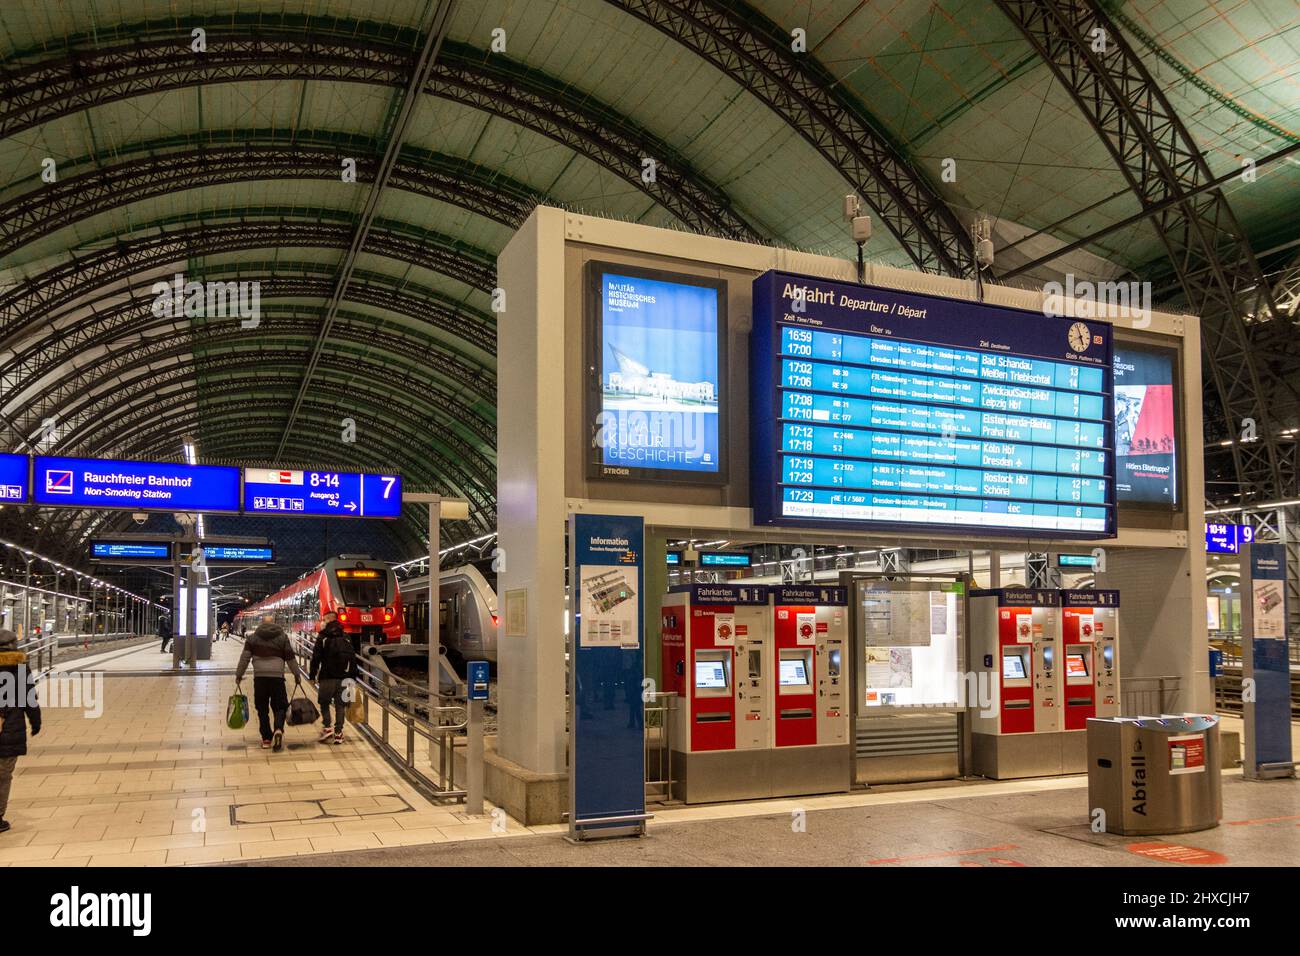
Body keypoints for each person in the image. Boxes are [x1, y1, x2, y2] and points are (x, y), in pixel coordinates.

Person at [234, 614, 303, 752]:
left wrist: (239, 675)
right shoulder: (282, 637)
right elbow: (290, 658)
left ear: (261, 624)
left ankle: (266, 738)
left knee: (262, 708)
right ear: (274, 623)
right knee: (280, 706)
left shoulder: (252, 638)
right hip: (277, 677)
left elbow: (245, 658)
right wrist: (297, 674)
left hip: (260, 678)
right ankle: (278, 728)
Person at [0, 629, 41, 834]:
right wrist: (36, 722)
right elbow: (30, 700)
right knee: (4, 776)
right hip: (11, 729)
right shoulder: (21, 669)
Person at [309, 612, 356, 745]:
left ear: (329, 620)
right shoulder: (346, 636)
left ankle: (327, 727)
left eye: (324, 619)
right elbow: (352, 658)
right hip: (345, 677)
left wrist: (312, 675)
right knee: (341, 705)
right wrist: (353, 677)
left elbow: (315, 658)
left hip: (327, 676)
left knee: (324, 703)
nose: (322, 622)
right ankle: (339, 733)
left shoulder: (322, 636)